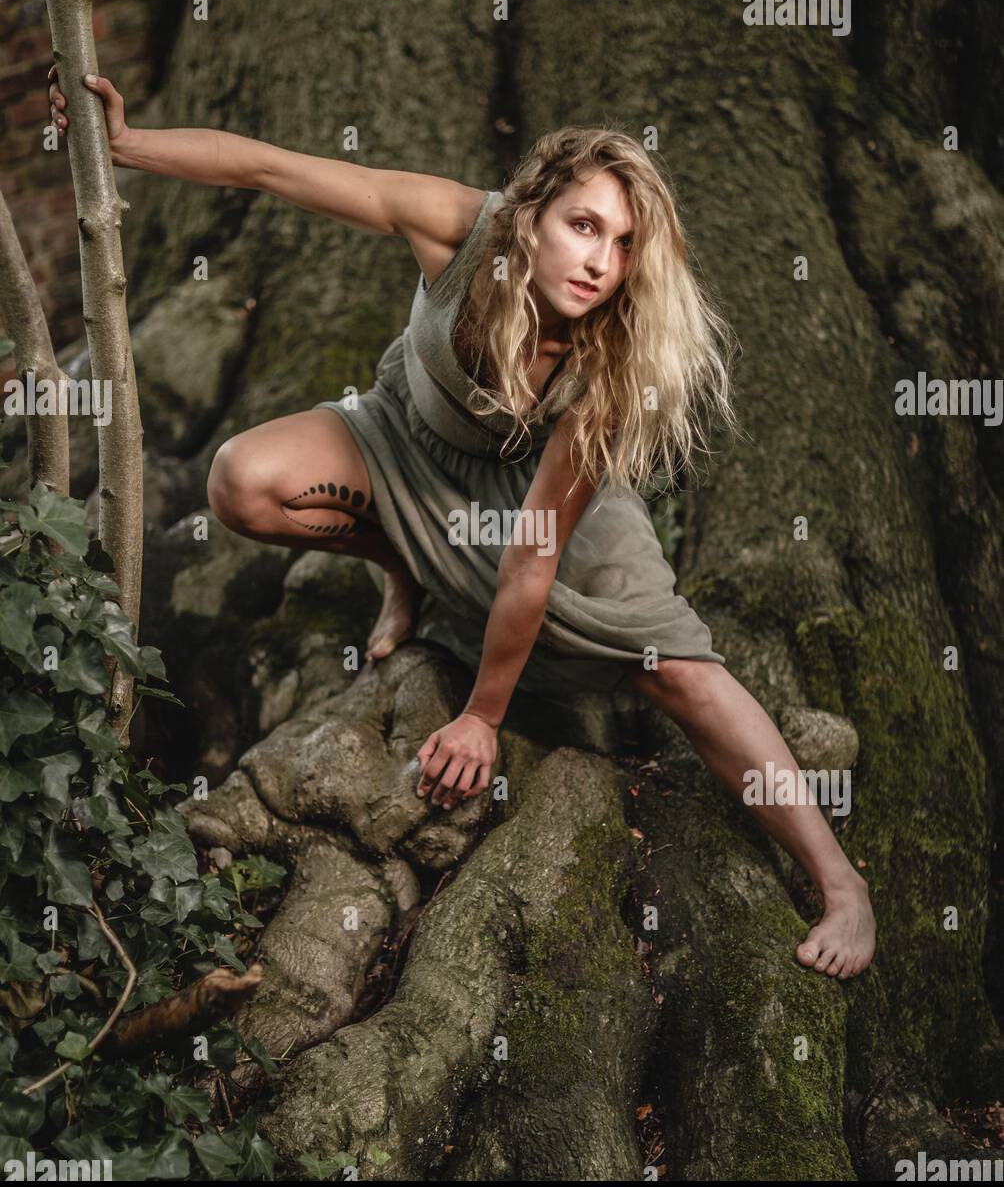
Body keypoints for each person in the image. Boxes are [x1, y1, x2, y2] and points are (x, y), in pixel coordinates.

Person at [47, 67, 876, 981]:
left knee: (679, 671)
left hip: (543, 516)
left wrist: (482, 717)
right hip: (408, 440)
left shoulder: (609, 368)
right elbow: (273, 170)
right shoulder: (456, 227)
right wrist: (129, 145)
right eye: (584, 225)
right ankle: (406, 567)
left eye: (624, 243)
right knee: (242, 481)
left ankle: (839, 884)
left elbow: (530, 561)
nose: (599, 260)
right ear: (532, 211)